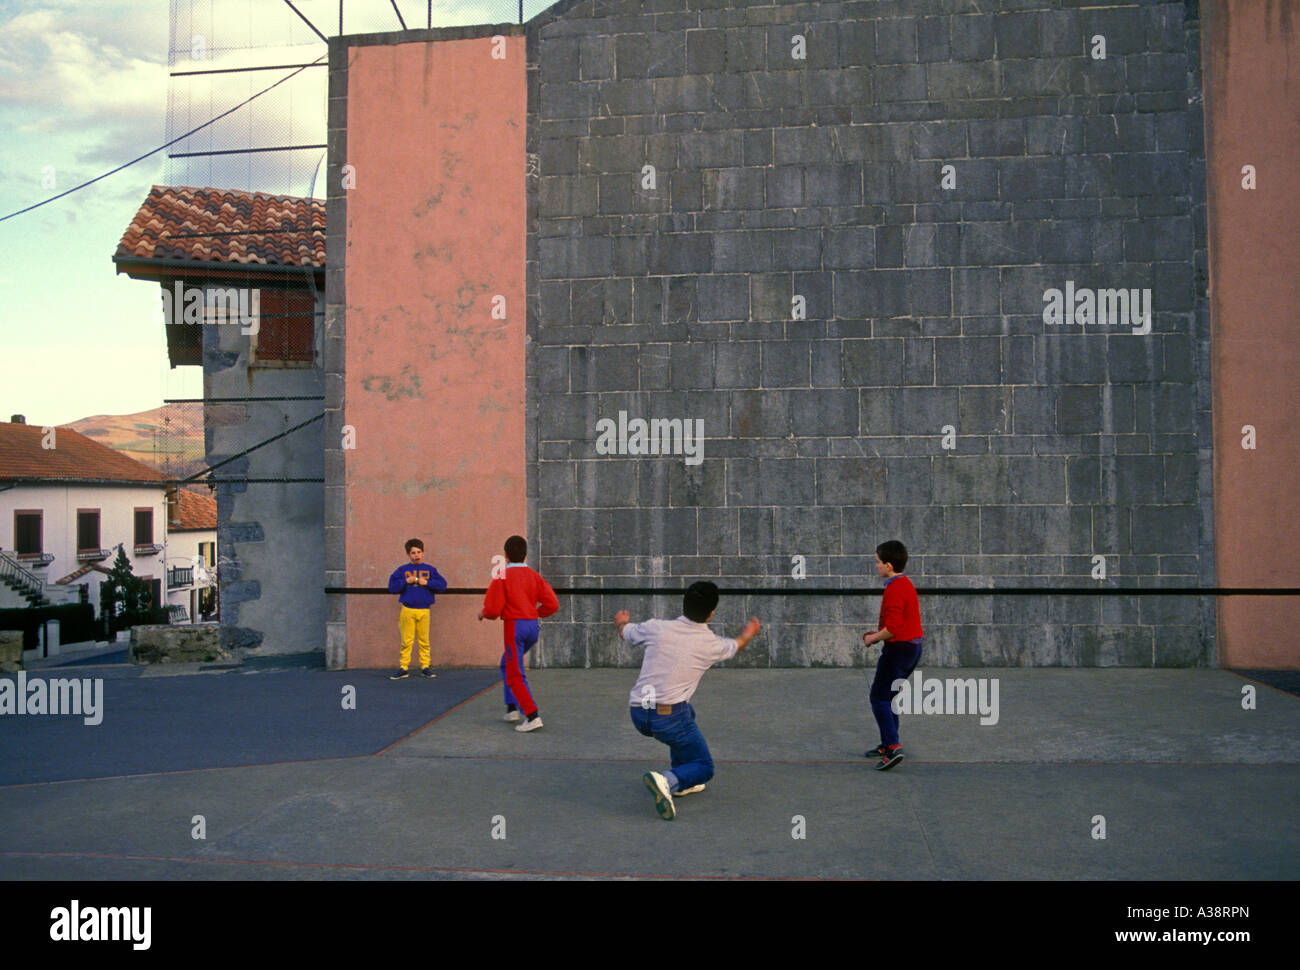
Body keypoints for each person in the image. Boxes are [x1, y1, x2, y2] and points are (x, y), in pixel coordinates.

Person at [617, 581, 760, 821]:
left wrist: (621, 619)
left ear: (683, 604)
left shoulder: (656, 628)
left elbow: (624, 631)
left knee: (687, 713)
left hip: (639, 714)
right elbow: (737, 645)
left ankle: (681, 782)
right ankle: (669, 780)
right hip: (669, 719)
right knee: (704, 766)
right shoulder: (712, 644)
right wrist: (748, 633)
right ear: (712, 612)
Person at [478, 535, 559, 733]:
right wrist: (535, 613)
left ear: (505, 555)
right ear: (525, 555)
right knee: (507, 663)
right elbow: (552, 604)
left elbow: (493, 609)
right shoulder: (534, 575)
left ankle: (532, 715)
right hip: (532, 626)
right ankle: (512, 708)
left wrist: (483, 614)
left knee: (515, 673)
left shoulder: (501, 576)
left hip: (514, 627)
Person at [863, 539, 924, 770]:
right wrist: (879, 634)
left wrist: (872, 638)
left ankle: (892, 747)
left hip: (899, 650)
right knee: (889, 698)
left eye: (878, 562)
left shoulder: (895, 588)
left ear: (889, 565)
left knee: (878, 698)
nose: (876, 566)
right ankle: (888, 744)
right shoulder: (905, 583)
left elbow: (893, 629)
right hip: (911, 648)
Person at [385, 538, 447, 679]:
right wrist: (405, 581)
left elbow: (442, 585)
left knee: (424, 640)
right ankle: (403, 667)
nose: (416, 555)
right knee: (406, 640)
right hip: (407, 609)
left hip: (424, 610)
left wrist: (428, 582)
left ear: (423, 553)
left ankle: (425, 666)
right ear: (408, 554)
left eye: (419, 552)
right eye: (413, 553)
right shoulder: (402, 570)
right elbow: (392, 587)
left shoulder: (430, 570)